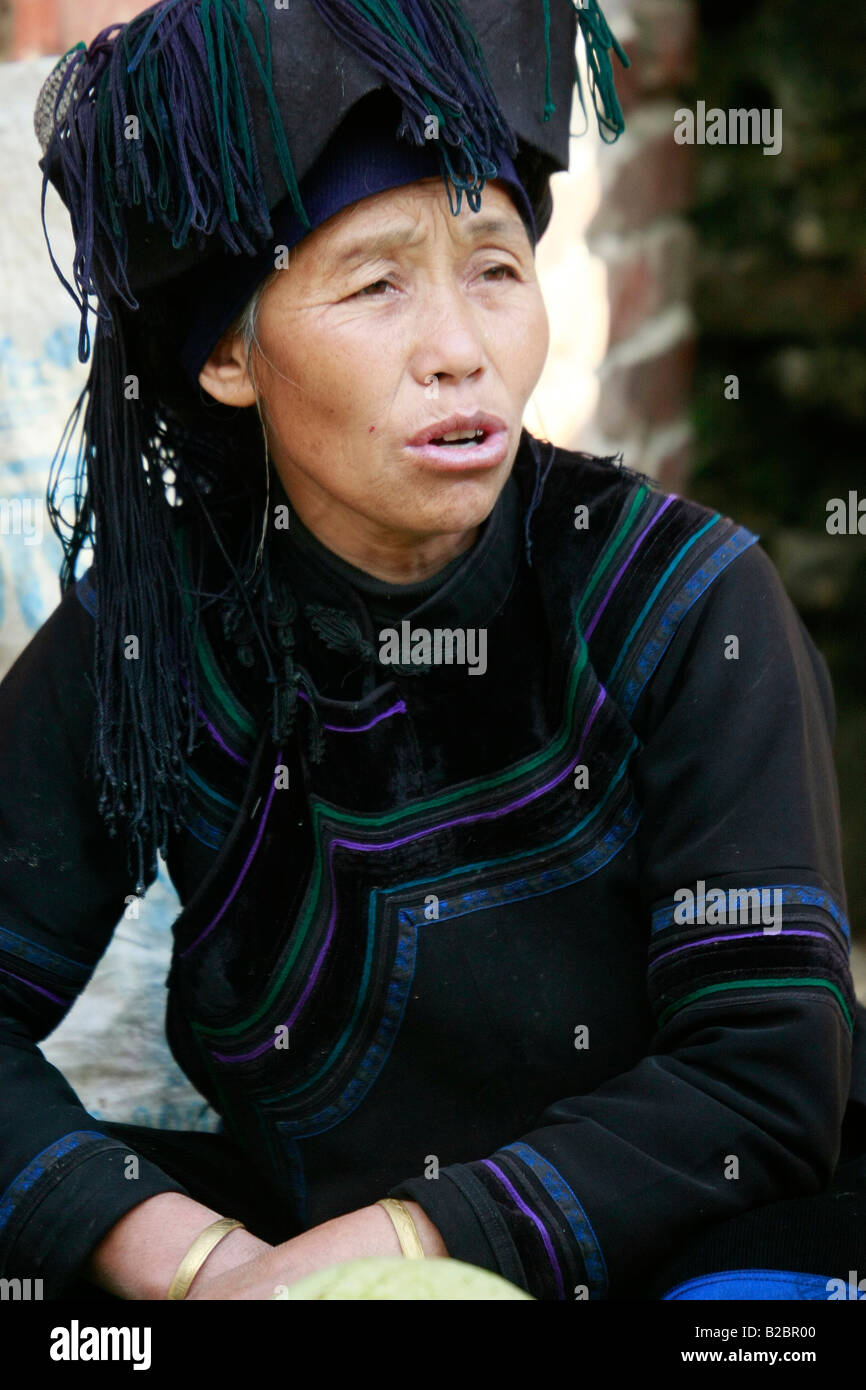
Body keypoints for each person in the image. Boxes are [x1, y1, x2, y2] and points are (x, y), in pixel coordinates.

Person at [0, 0, 863, 1303]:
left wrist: (404, 1248)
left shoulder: (688, 606)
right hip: (291, 1248)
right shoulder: (158, 625)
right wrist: (197, 1261)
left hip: (672, 1245)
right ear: (230, 351)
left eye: (496, 267)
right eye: (378, 281)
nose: (459, 350)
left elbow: (762, 1072)